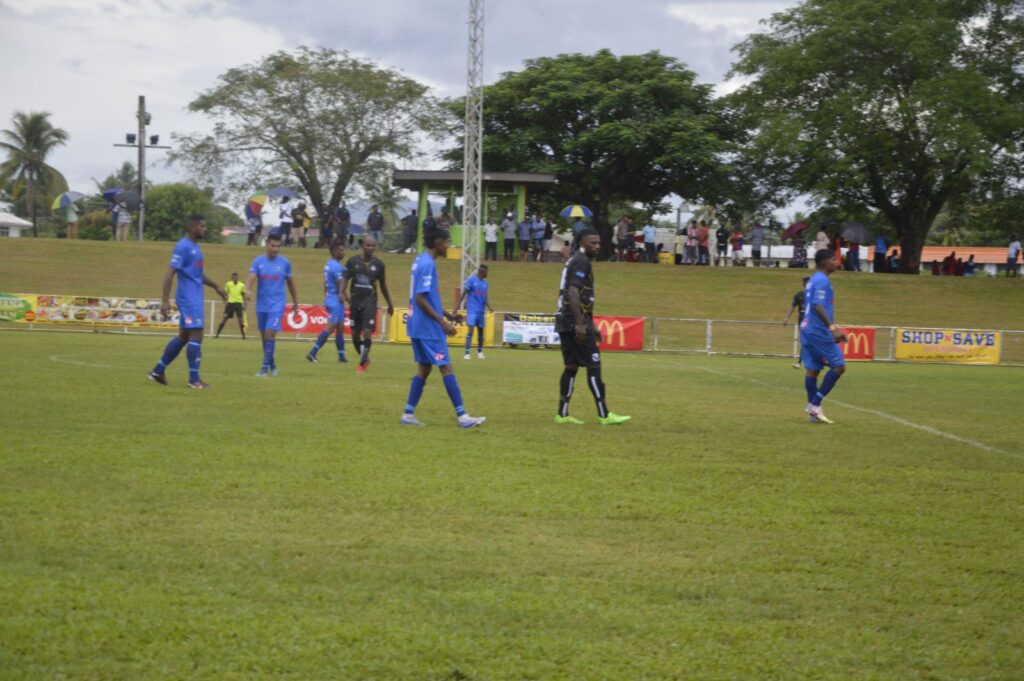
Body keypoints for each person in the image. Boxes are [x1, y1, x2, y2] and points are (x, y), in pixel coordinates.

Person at [400, 228, 485, 428]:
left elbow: (425, 297)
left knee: (424, 367)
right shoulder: (428, 264)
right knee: (445, 366)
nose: (448, 246)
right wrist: (442, 322)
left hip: (417, 324)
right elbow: (421, 298)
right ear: (438, 242)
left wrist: (448, 315)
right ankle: (463, 417)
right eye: (447, 242)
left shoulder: (419, 260)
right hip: (427, 327)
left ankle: (408, 413)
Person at [554, 229, 630, 426]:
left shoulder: (573, 259)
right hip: (574, 322)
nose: (596, 246)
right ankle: (604, 415)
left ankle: (562, 414)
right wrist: (581, 324)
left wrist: (591, 324)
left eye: (598, 243)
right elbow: (572, 292)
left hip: (564, 321)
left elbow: (573, 293)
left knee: (570, 367)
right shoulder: (582, 261)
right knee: (594, 366)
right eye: (592, 243)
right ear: (581, 242)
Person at [148, 215, 227, 389]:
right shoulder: (183, 246)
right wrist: (164, 300)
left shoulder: (195, 248)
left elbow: (197, 275)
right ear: (192, 227)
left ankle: (158, 371)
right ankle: (194, 379)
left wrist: (217, 287)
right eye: (202, 226)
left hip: (194, 296)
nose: (205, 229)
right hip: (188, 297)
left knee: (184, 336)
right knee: (197, 334)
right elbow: (170, 273)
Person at [800, 249, 848, 424]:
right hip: (817, 330)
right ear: (825, 262)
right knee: (839, 367)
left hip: (807, 328)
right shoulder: (822, 280)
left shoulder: (813, 279)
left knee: (812, 370)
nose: (836, 262)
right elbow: (818, 305)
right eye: (834, 259)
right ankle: (815, 404)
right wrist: (832, 328)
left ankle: (814, 414)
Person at [246, 232, 300, 377]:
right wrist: (248, 290)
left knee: (270, 333)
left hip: (277, 305)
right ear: (267, 243)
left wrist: (295, 302)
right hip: (262, 305)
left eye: (278, 246)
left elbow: (291, 284)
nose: (275, 249)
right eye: (273, 245)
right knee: (265, 337)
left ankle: (264, 369)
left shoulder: (285, 263)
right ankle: (273, 365)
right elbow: (251, 277)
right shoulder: (258, 262)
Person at [342, 235, 394, 373]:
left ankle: (362, 363)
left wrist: (390, 303)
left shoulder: (379, 264)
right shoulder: (352, 261)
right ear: (362, 245)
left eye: (373, 245)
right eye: (368, 245)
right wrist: (342, 292)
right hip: (355, 302)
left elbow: (383, 285)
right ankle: (364, 357)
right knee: (354, 335)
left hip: (370, 303)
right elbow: (345, 278)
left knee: (367, 332)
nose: (371, 248)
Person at [305, 239, 348, 364]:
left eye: (344, 250)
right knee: (330, 327)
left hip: (331, 298)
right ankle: (312, 353)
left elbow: (326, 283)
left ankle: (341, 357)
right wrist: (350, 300)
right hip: (336, 299)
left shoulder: (328, 264)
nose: (343, 252)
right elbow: (341, 285)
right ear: (334, 251)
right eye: (341, 250)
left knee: (340, 328)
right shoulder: (336, 267)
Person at [456, 264, 493, 360]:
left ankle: (479, 351)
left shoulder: (486, 283)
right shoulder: (471, 280)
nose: (488, 273)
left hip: (481, 311)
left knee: (481, 331)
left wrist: (489, 307)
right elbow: (464, 293)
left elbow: (485, 297)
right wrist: (458, 305)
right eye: (487, 271)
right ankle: (467, 352)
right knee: (471, 330)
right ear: (482, 271)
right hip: (472, 309)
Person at [783, 277, 811, 369]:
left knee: (807, 341)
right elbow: (793, 306)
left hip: (807, 320)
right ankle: (800, 362)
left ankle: (801, 362)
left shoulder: (810, 295)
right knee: (806, 341)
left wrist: (786, 318)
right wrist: (786, 317)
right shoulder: (800, 295)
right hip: (805, 320)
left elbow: (792, 307)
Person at [215, 272, 247, 339]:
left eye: (236, 277)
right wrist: (224, 301)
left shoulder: (242, 285)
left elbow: (243, 295)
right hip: (230, 304)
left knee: (240, 320)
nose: (235, 278)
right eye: (233, 277)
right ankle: (217, 335)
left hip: (238, 304)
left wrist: (245, 303)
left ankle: (243, 336)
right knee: (224, 319)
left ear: (238, 278)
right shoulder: (228, 284)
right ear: (232, 278)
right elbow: (224, 293)